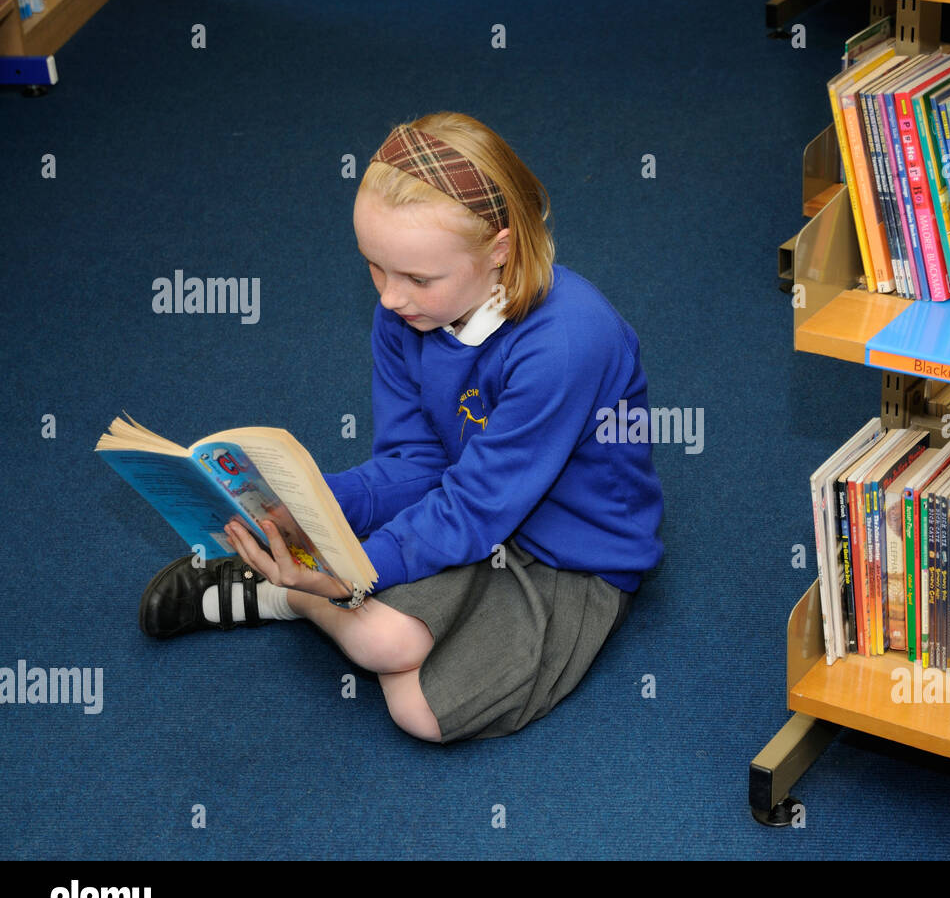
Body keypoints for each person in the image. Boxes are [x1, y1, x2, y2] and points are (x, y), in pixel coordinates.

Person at [138, 112, 665, 744]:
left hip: (575, 554)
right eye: (374, 268)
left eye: (417, 277)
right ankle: (294, 583)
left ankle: (289, 598)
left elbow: (473, 507)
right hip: (466, 506)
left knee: (418, 710)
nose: (389, 298)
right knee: (383, 641)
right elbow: (416, 462)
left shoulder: (569, 341)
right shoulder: (407, 312)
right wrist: (312, 510)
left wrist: (347, 576)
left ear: (500, 250)